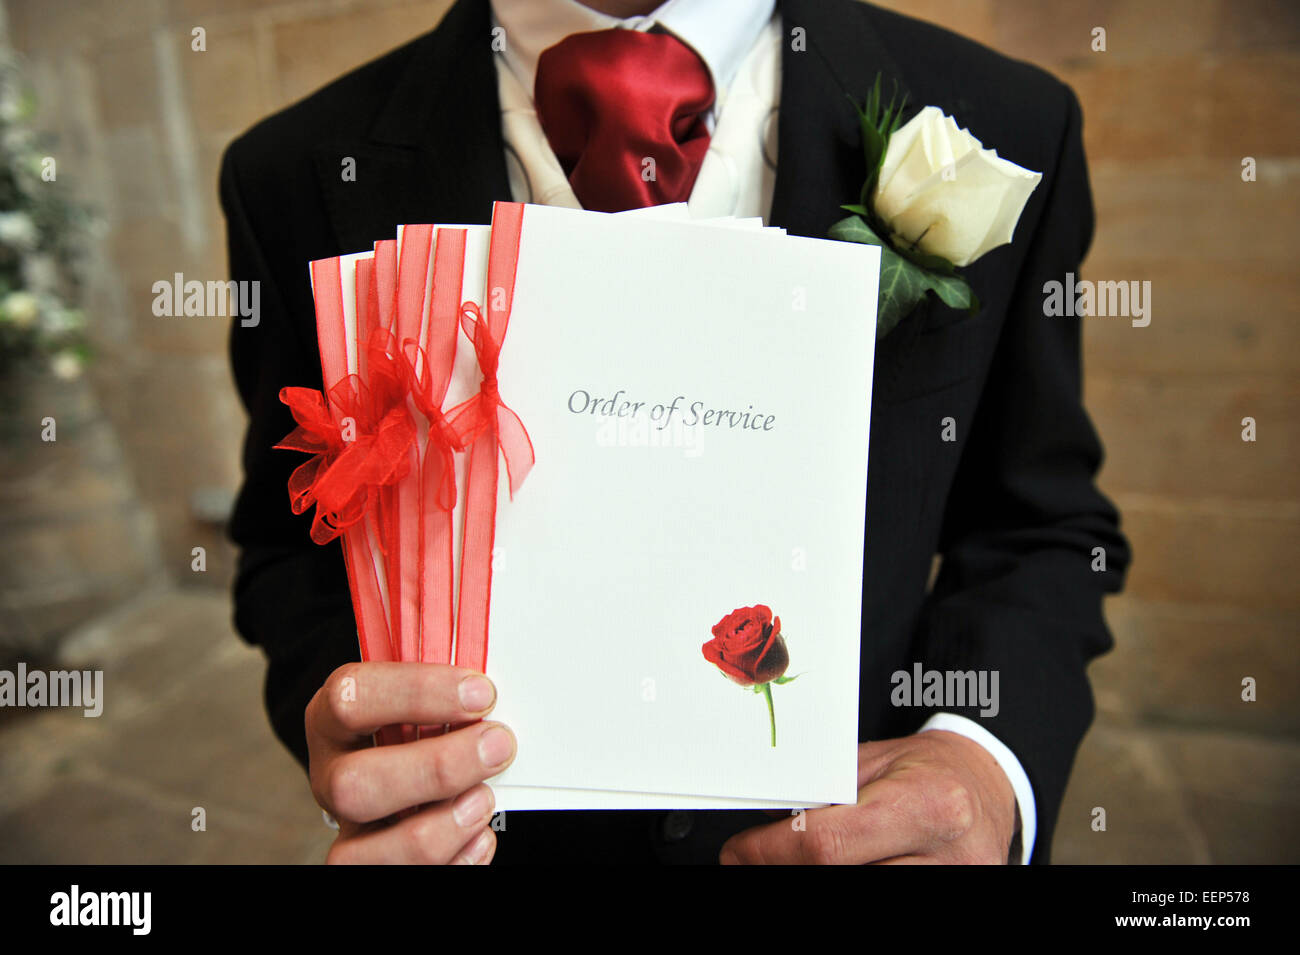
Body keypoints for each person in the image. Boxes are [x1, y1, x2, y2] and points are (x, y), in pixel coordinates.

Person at [223, 0, 1129, 864]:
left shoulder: (1007, 120)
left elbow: (1038, 523)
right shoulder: (290, 172)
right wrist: (355, 720)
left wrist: (985, 759)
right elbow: (288, 542)